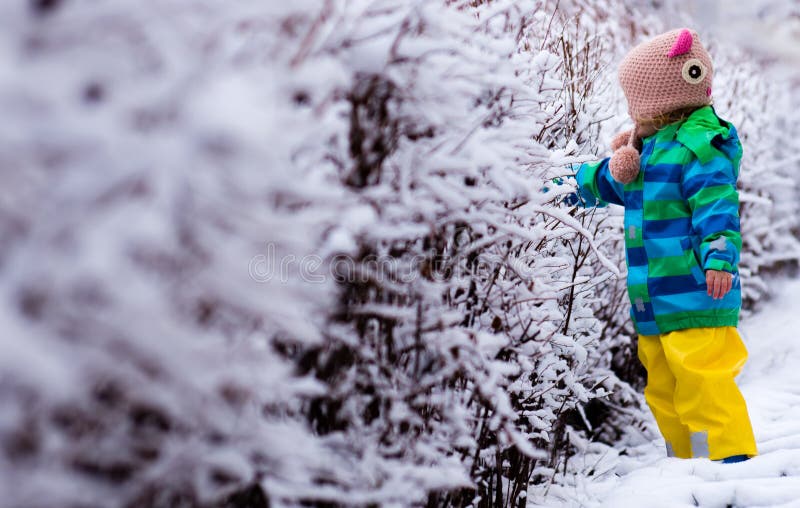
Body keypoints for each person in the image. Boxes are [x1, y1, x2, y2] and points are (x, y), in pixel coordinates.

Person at [572, 28, 757, 463]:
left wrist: (719, 256)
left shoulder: (698, 147)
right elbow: (611, 180)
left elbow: (717, 207)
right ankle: (690, 464)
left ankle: (730, 463)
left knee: (702, 382)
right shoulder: (649, 151)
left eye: (634, 98)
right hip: (654, 302)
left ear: (659, 97)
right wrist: (571, 186)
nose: (631, 109)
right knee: (664, 387)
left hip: (696, 290)